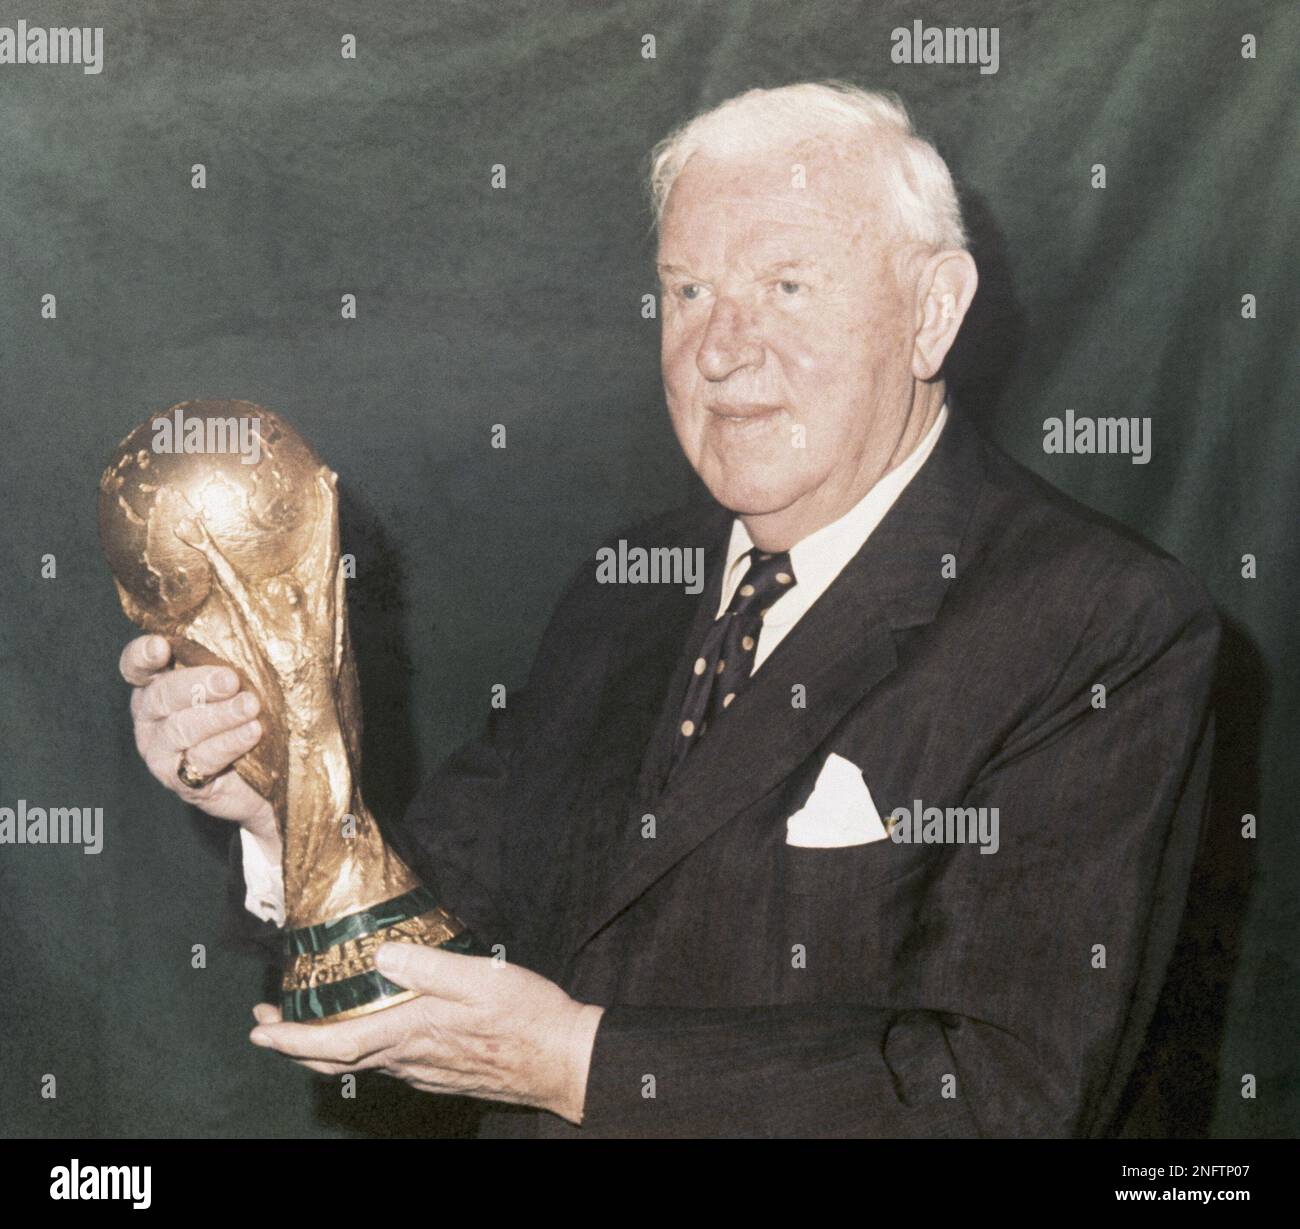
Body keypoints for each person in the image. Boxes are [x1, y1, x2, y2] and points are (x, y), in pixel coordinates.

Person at [117, 82, 1220, 1138]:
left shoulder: (1099, 623)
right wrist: (282, 797)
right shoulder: (628, 582)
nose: (720, 350)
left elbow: (1003, 1092)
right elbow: (450, 908)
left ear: (932, 313)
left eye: (788, 286)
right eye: (687, 289)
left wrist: (575, 1063)